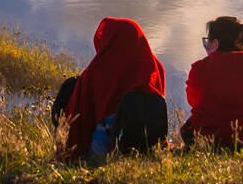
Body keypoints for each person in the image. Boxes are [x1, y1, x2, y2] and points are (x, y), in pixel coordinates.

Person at [53, 17, 166, 163]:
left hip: (103, 150)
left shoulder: (98, 70)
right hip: (147, 145)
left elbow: (80, 113)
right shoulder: (154, 67)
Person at [181, 15, 243, 149]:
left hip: (210, 138)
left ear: (216, 43)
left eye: (207, 42)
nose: (206, 46)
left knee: (187, 130)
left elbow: (193, 101)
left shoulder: (199, 68)